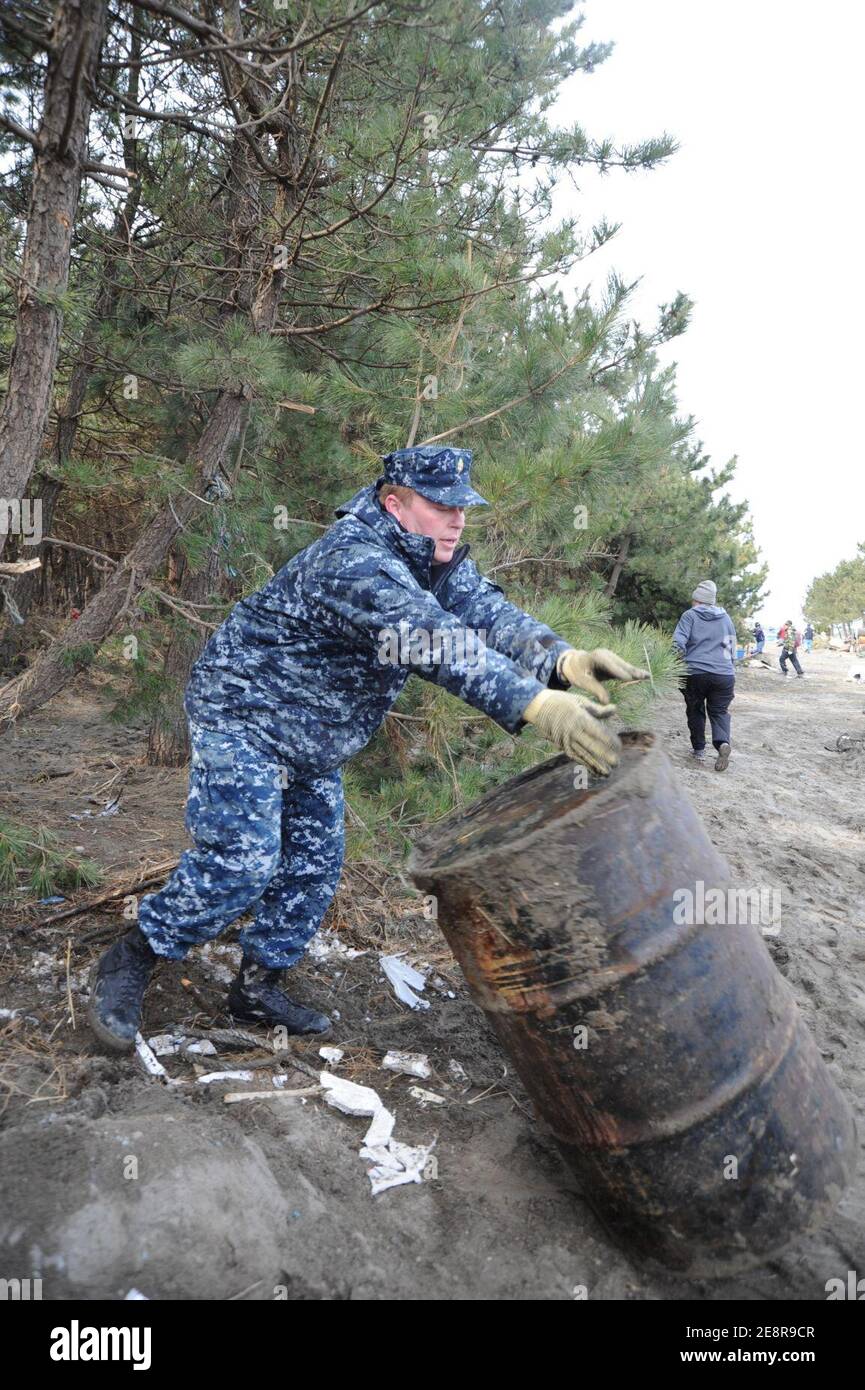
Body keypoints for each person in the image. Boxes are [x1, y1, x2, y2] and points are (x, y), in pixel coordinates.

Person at [88, 446, 649, 1051]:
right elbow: (433, 642)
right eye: (441, 505)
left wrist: (562, 660)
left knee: (313, 865)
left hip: (311, 737)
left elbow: (486, 614)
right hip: (246, 718)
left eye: (463, 507)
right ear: (394, 503)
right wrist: (535, 705)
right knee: (242, 862)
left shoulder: (434, 559)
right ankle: (133, 958)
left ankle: (256, 987)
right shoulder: (353, 559)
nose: (457, 519)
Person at [672, 580, 737, 771]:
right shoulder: (726, 619)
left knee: (695, 709)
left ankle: (699, 749)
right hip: (724, 674)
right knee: (719, 712)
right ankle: (722, 743)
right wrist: (728, 669)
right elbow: (731, 648)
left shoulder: (689, 616)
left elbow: (678, 642)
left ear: (697, 599)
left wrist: (674, 662)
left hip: (695, 672)